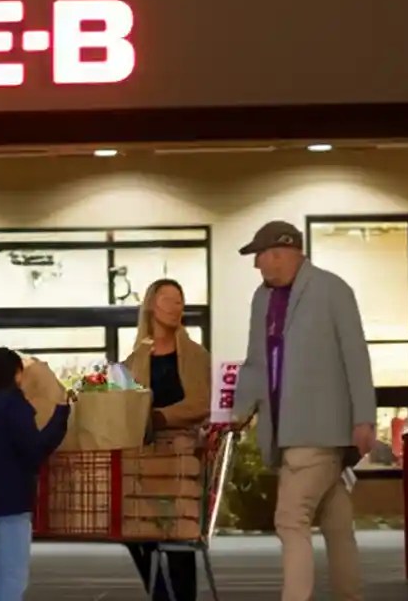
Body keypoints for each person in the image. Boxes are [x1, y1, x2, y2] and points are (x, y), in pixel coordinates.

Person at [231, 221, 377, 601]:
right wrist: (235, 413)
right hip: (285, 432)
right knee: (336, 523)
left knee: (289, 520)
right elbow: (256, 363)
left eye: (259, 256)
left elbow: (355, 356)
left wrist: (365, 416)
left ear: (281, 252)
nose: (256, 265)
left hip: (318, 431)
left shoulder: (332, 290)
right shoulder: (262, 299)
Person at [121, 279, 213, 601]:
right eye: (167, 299)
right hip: (144, 457)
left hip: (181, 455)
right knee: (131, 528)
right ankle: (159, 594)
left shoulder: (195, 355)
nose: (176, 306)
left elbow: (201, 403)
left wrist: (159, 417)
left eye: (180, 299)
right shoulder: (135, 359)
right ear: (151, 305)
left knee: (179, 540)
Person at [0, 347, 72, 601]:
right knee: (14, 576)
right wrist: (61, 414)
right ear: (13, 373)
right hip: (15, 495)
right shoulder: (12, 404)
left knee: (6, 573)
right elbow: (34, 449)